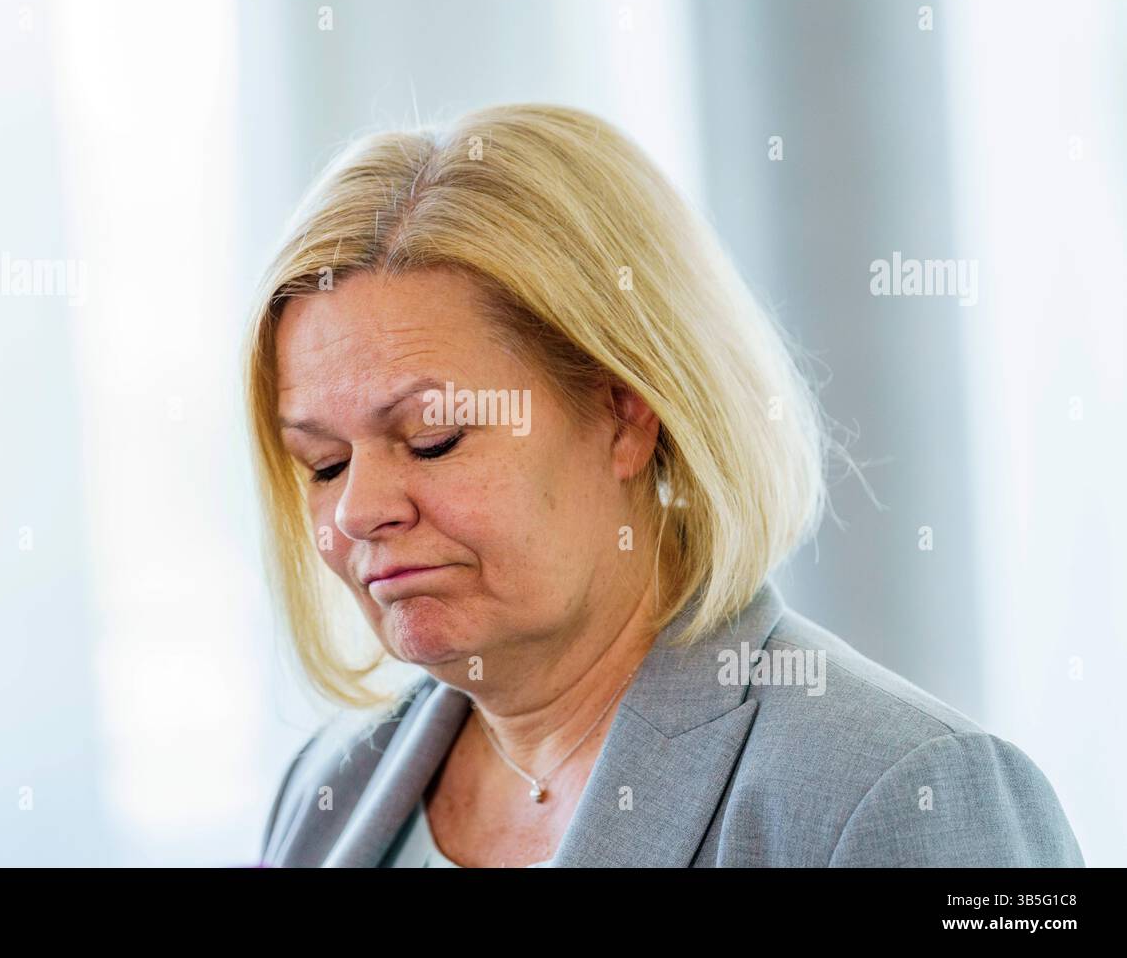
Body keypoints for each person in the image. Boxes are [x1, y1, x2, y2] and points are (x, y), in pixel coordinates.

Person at [247, 103, 1083, 868]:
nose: (358, 510)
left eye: (434, 439)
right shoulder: (327, 790)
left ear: (624, 414)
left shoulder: (906, 791)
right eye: (324, 463)